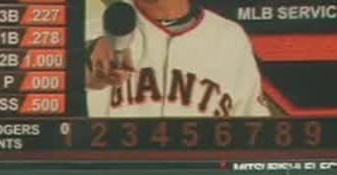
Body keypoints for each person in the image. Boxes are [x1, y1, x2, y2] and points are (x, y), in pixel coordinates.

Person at [84, 0, 272, 119]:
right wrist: (92, 51)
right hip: (118, 174)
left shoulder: (229, 37)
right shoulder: (95, 22)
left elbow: (254, 127)